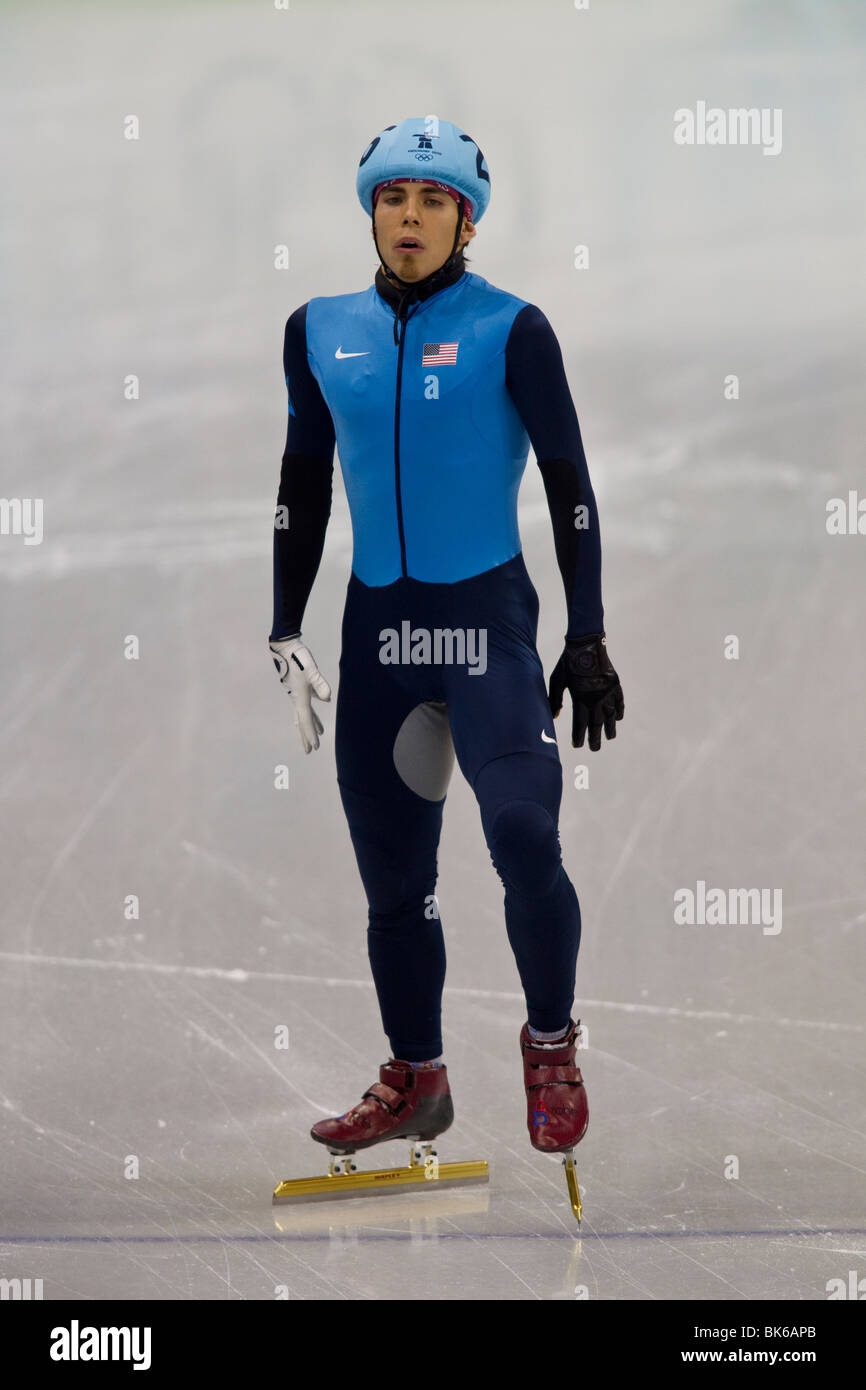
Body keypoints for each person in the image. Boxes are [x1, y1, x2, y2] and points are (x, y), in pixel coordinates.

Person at [268, 116, 624, 1167]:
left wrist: (586, 632)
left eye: (430, 201)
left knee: (521, 836)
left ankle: (550, 1044)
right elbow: (301, 485)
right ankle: (415, 1077)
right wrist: (284, 624)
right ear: (369, 213)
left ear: (464, 220)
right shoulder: (316, 329)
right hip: (378, 634)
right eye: (390, 199)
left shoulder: (512, 329)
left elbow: (568, 486)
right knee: (394, 883)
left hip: (484, 632)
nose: (408, 218)